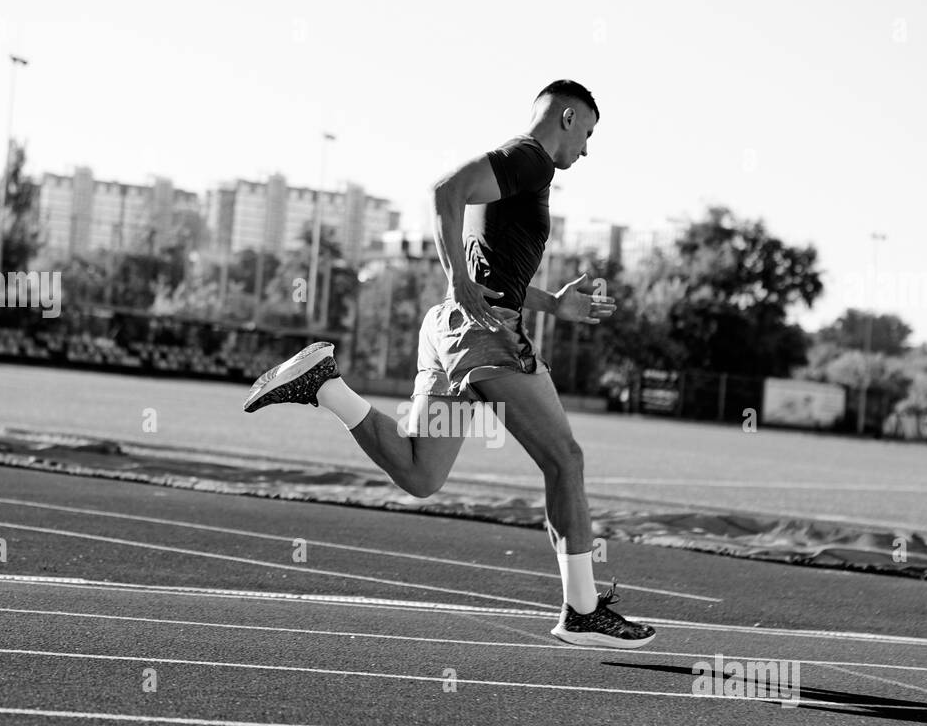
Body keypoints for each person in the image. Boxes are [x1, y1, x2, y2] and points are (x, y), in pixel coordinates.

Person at [244, 80, 655, 649]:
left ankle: (325, 386)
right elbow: (444, 191)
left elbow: (497, 277)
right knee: (566, 460)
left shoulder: (520, 169)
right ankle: (583, 610)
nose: (585, 150)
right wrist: (461, 280)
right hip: (484, 338)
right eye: (587, 134)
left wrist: (553, 304)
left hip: (451, 330)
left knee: (421, 474)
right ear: (566, 117)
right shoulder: (530, 160)